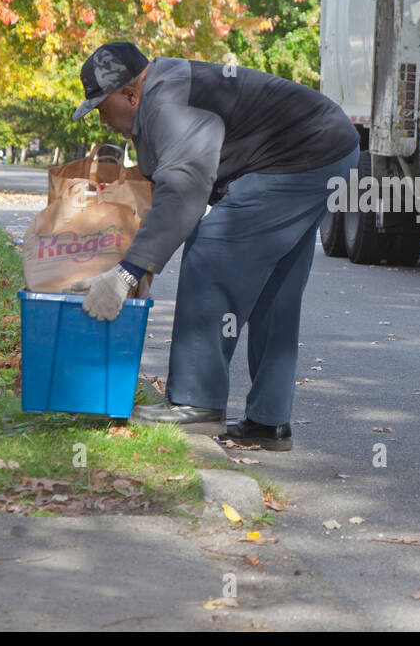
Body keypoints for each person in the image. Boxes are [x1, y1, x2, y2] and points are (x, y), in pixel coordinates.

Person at [68, 42, 359, 451]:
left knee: (210, 253)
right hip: (329, 151)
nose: (102, 119)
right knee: (275, 290)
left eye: (102, 107)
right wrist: (143, 265)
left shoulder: (167, 103)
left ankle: (196, 404)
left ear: (130, 94)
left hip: (301, 157)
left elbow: (184, 195)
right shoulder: (165, 93)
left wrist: (126, 272)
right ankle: (268, 421)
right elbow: (166, 184)